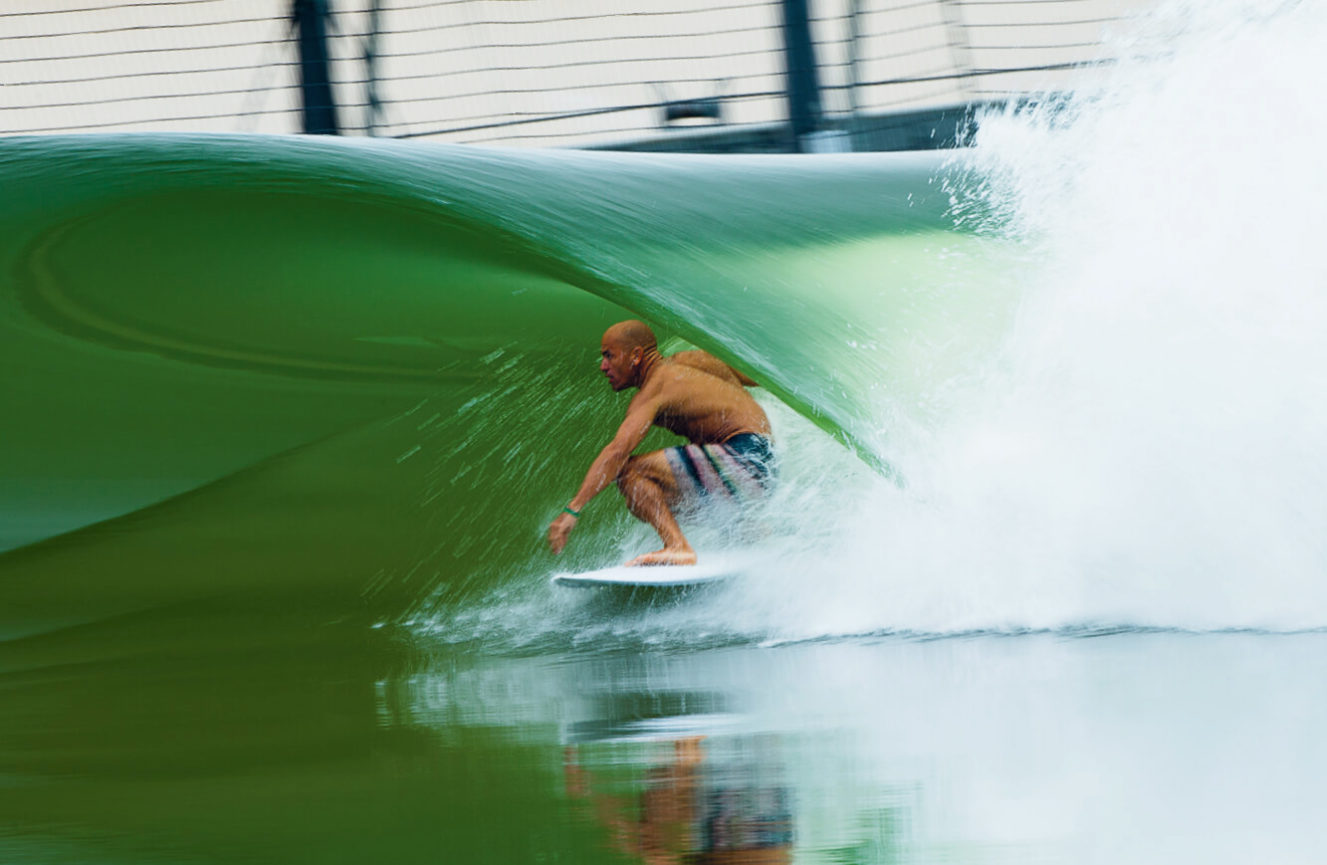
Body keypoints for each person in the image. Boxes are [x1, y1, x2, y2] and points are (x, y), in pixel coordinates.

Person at [547, 319, 774, 566]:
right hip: (765, 463)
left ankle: (678, 547)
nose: (603, 366)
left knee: (630, 474)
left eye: (609, 356)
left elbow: (617, 452)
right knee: (661, 491)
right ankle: (747, 530)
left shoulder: (655, 389)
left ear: (635, 356)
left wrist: (573, 510)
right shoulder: (693, 360)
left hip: (739, 459)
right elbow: (760, 376)